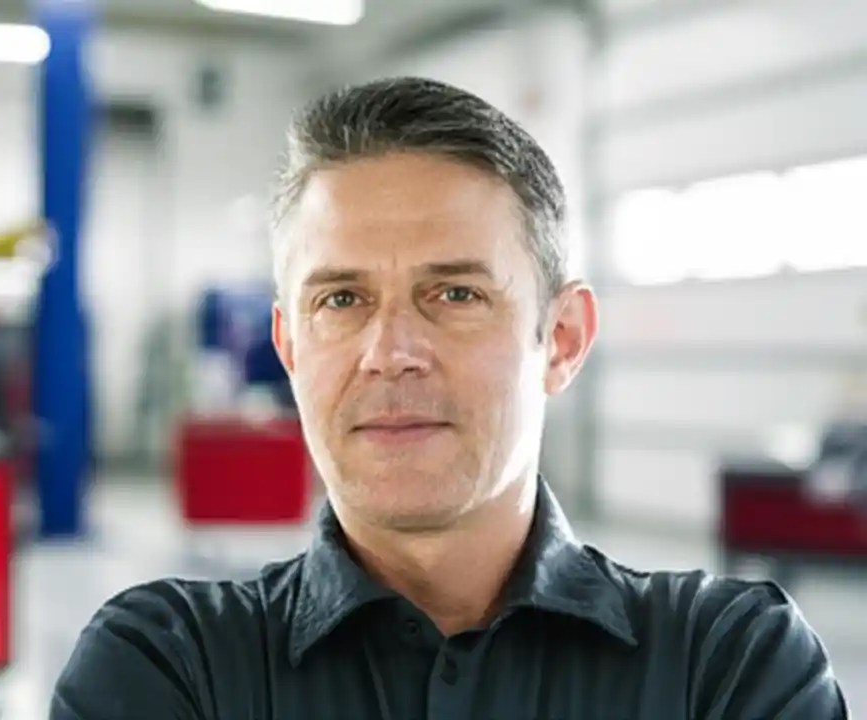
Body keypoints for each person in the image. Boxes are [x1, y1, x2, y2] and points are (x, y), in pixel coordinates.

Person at [50, 77, 848, 719]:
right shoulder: (167, 668)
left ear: (562, 338)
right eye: (340, 300)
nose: (390, 354)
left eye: (455, 294)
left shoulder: (728, 669)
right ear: (289, 347)